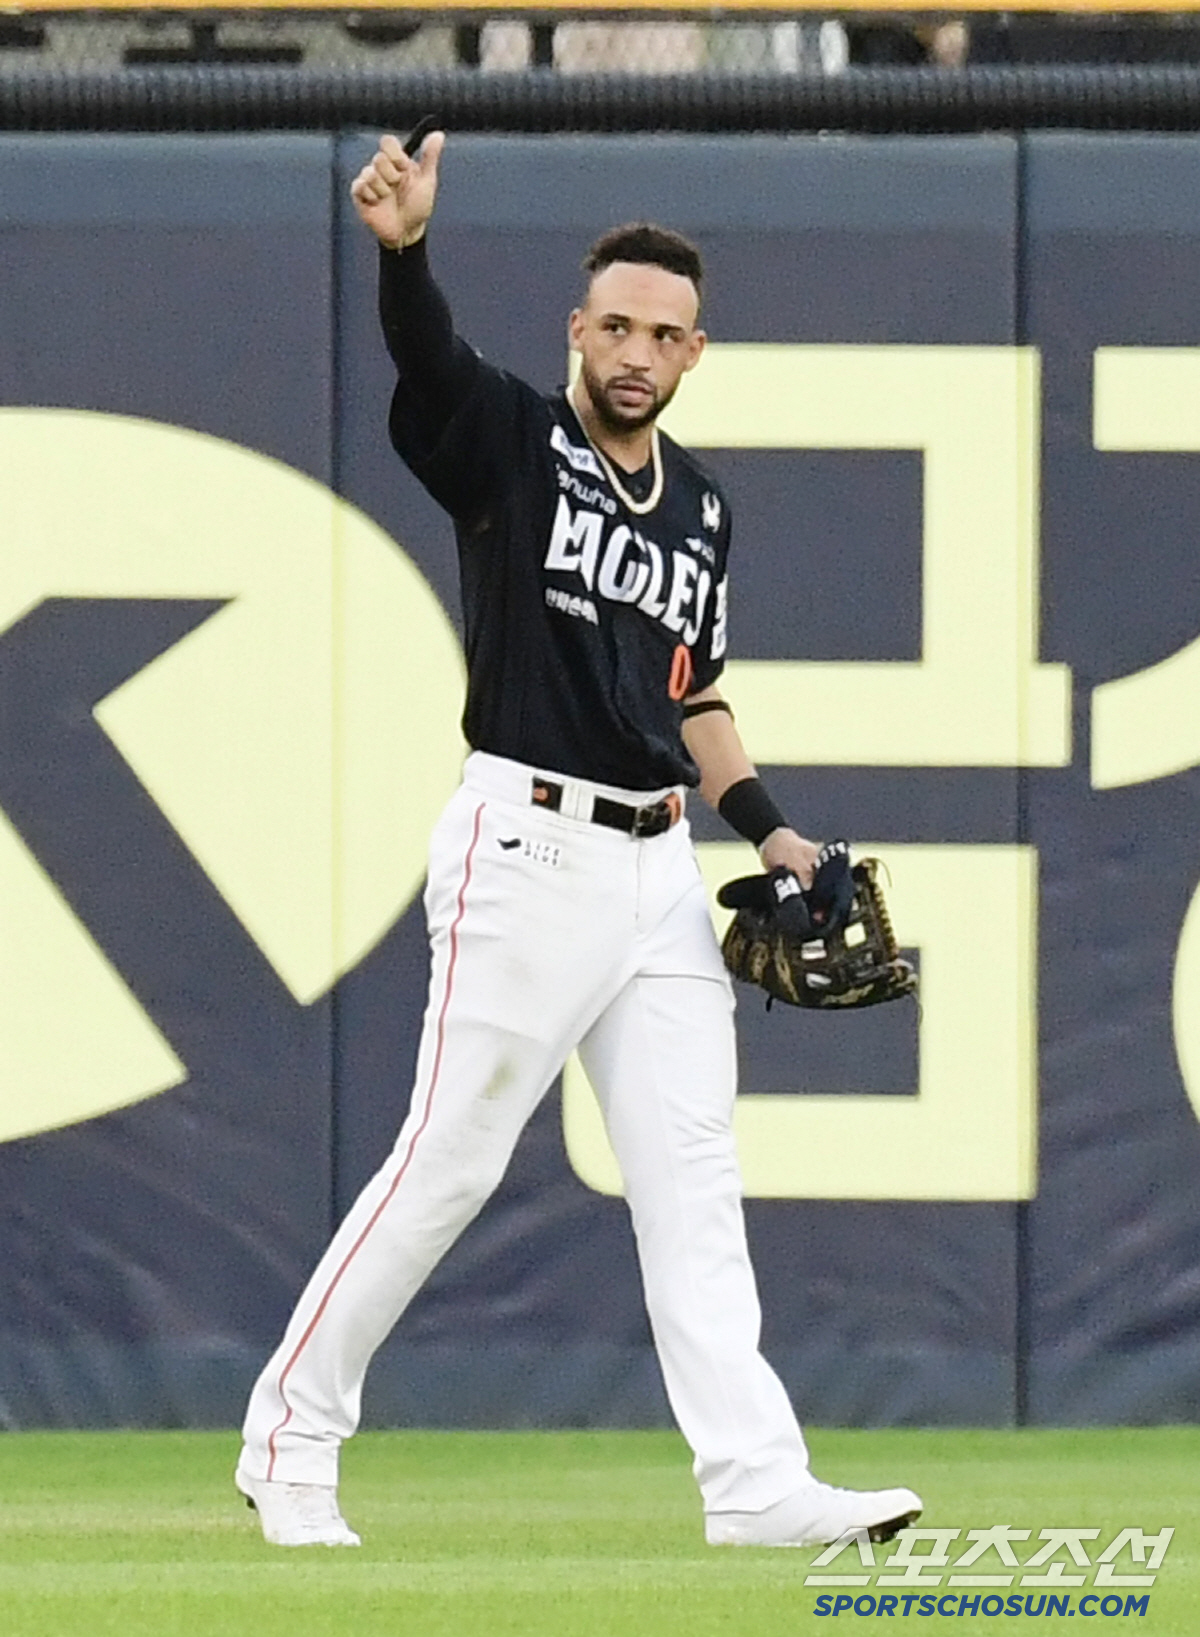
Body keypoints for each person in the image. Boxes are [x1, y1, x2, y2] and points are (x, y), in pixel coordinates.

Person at [235, 128, 922, 1551]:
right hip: (525, 842)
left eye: (663, 333)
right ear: (578, 328)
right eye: (614, 323)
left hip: (657, 867)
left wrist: (775, 832)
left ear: (693, 354)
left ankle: (753, 1485)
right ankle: (291, 1435)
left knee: (693, 1175)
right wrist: (404, 250)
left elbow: (700, 699)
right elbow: (425, 364)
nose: (635, 351)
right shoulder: (511, 441)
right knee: (449, 1160)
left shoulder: (707, 509)